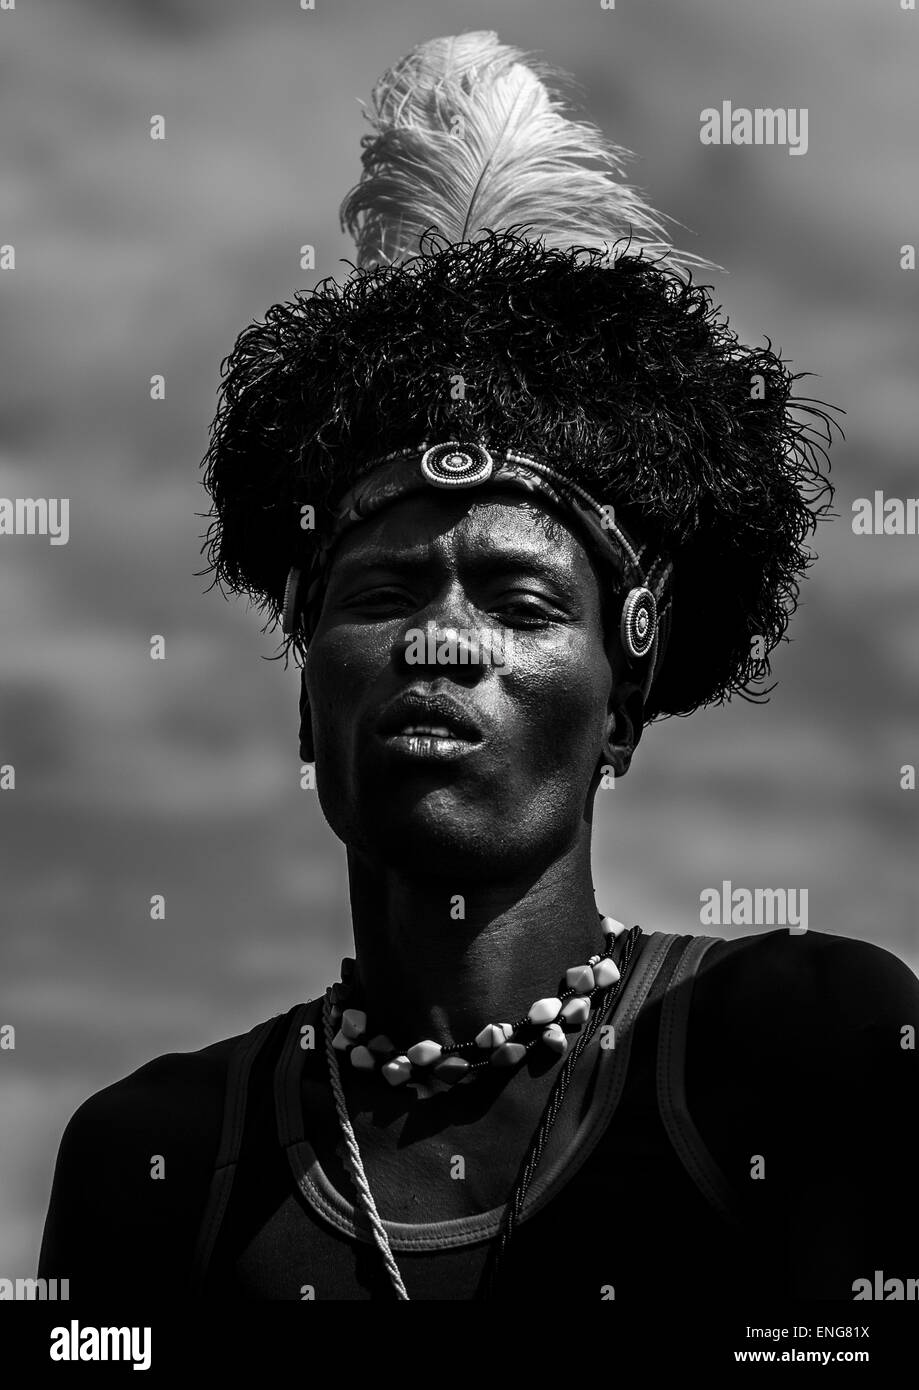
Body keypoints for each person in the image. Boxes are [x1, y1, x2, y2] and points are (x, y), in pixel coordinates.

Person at [39, 31, 918, 1303]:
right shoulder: (158, 1157)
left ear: (620, 709)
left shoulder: (800, 1046)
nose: (442, 639)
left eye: (518, 601)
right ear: (304, 700)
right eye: (384, 593)